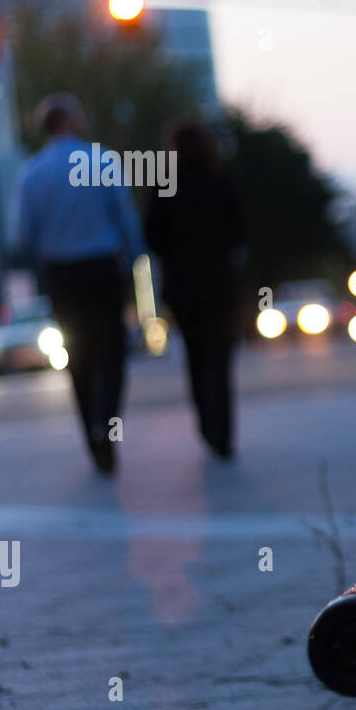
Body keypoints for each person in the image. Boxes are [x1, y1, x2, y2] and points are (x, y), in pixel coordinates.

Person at [13, 94, 145, 474]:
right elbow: (125, 217)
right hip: (101, 268)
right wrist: (135, 259)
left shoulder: (32, 173)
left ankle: (92, 434)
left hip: (61, 273)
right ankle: (106, 425)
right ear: (70, 121)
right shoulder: (100, 161)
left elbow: (22, 234)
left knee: (79, 356)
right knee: (112, 353)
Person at [144, 119, 244, 459]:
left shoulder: (165, 187)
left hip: (184, 287)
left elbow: (151, 237)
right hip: (219, 284)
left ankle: (207, 424)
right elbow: (238, 233)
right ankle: (223, 431)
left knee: (197, 357)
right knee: (220, 359)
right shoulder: (220, 182)